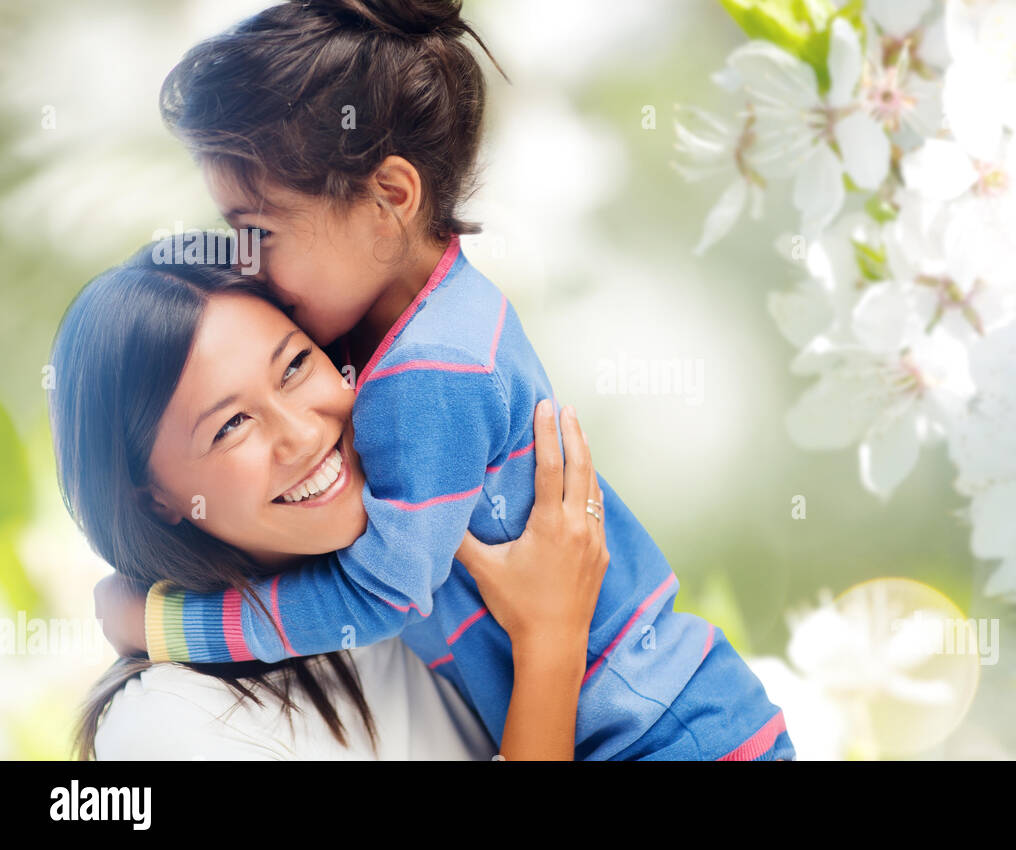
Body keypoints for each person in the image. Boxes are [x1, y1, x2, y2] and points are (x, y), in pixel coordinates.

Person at [99, 0, 793, 760]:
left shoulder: (430, 371)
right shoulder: (427, 318)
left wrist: (168, 624)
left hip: (667, 736)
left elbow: (380, 594)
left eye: (256, 231)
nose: (245, 262)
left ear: (390, 199)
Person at [52, 241, 608, 759]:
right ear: (155, 503)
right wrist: (551, 640)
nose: (303, 435)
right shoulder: (166, 724)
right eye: (232, 425)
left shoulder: (424, 546)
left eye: (295, 365)